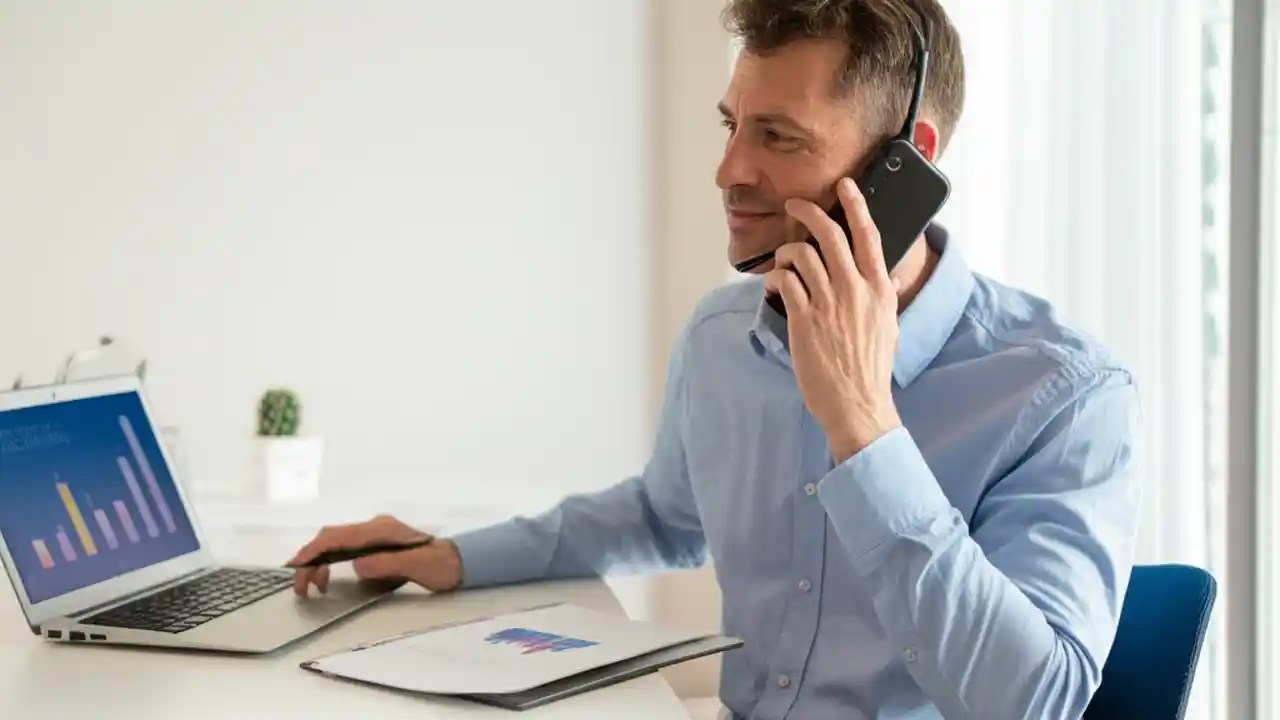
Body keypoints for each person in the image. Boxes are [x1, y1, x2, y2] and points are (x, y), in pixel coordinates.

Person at [288, 1, 1143, 718]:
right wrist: (454, 556)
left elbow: (1039, 701)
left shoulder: (1065, 393)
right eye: (734, 125)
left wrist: (865, 426)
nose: (728, 170)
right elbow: (660, 516)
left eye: (777, 136)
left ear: (905, 156)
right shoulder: (721, 336)